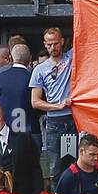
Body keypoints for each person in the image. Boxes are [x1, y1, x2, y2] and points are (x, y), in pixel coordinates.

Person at [30, 28, 74, 182]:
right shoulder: (39, 70)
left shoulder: (71, 58)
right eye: (49, 44)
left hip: (71, 121)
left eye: (56, 43)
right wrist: (58, 106)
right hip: (55, 123)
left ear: (62, 42)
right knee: (56, 169)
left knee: (73, 165)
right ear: (44, 44)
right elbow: (35, 102)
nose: (53, 48)